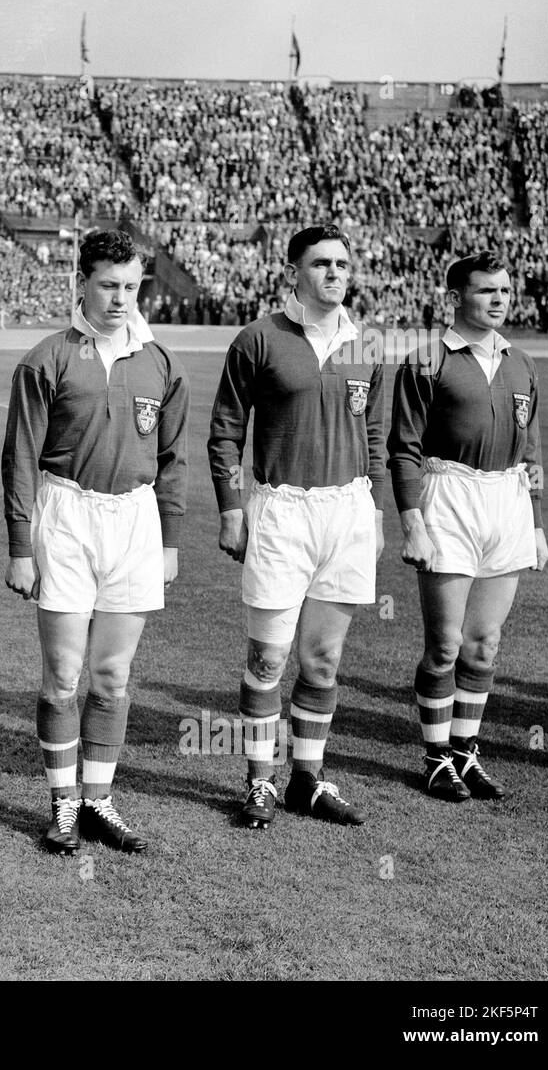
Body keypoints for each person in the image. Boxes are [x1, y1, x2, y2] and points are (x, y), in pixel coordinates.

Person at [2, 229, 188, 856]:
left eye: (132, 287)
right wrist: (21, 546)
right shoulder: (49, 357)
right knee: (62, 674)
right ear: (81, 282)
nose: (120, 298)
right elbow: (20, 456)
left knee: (111, 675)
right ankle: (62, 803)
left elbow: (173, 457)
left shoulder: (160, 361)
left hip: (135, 519)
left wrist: (172, 540)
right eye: (109, 285)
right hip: (66, 515)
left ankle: (99, 800)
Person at [207, 224, 385, 830]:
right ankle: (260, 781)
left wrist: (377, 510)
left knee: (324, 660)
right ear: (294, 272)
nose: (334, 273)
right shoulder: (259, 339)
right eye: (320, 264)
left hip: (349, 510)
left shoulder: (367, 345)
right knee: (266, 659)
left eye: (342, 263)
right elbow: (226, 430)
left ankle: (307, 779)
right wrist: (232, 509)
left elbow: (376, 437)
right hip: (282, 511)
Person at [389, 251, 548, 801]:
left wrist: (537, 525)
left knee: (484, 645)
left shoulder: (522, 363)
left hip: (506, 501)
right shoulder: (426, 361)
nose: (499, 299)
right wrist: (413, 523)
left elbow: (531, 455)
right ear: (455, 297)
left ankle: (465, 750)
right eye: (486, 291)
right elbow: (403, 450)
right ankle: (435, 757)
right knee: (445, 645)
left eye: (504, 291)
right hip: (448, 495)